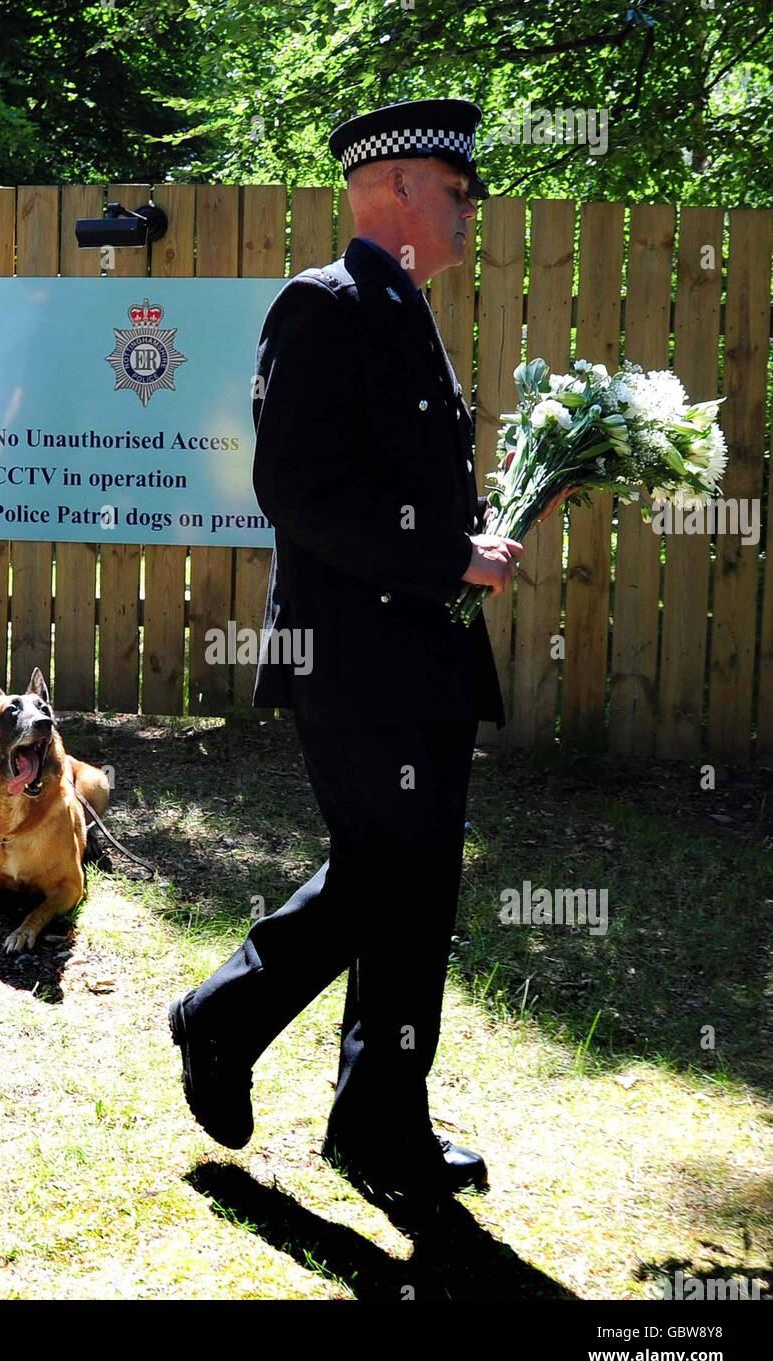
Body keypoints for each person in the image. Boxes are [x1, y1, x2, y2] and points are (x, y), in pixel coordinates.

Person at [169, 99, 533, 1235]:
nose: (470, 210)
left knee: (414, 889)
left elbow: (398, 487)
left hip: (418, 649)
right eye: (457, 189)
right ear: (395, 188)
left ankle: (379, 1121)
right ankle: (221, 1017)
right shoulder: (321, 305)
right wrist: (446, 553)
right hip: (351, 655)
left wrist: (497, 517)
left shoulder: (407, 311)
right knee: (384, 874)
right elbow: (300, 491)